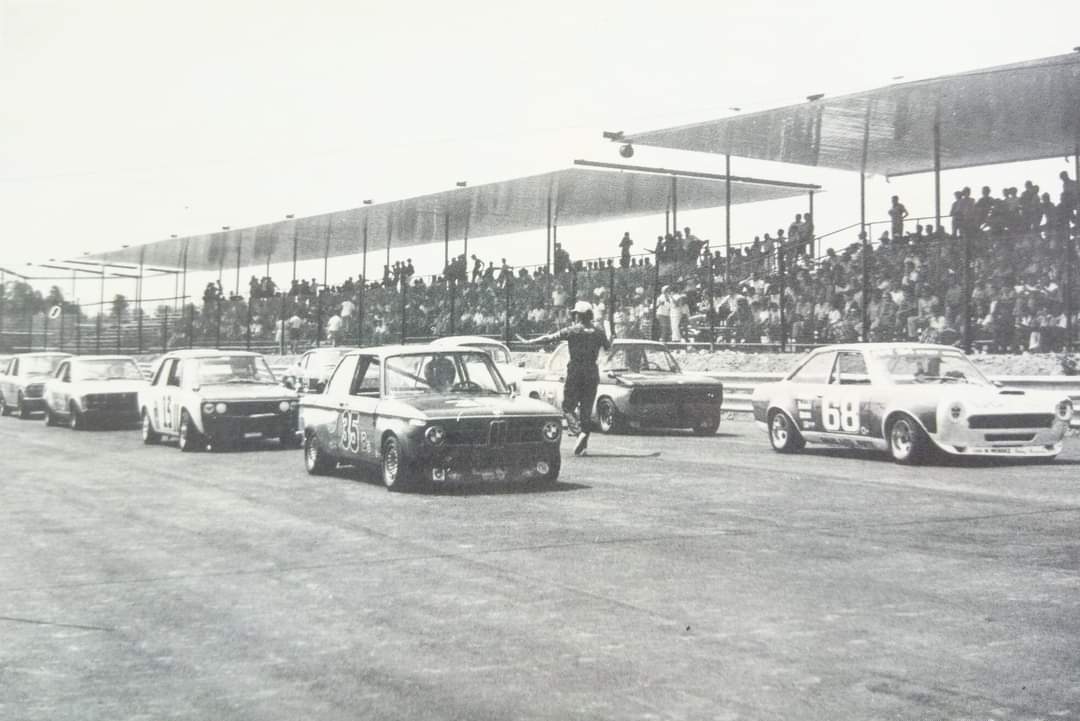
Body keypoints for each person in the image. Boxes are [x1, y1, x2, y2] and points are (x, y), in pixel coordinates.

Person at [522, 300, 611, 456]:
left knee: (568, 407)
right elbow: (608, 347)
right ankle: (583, 443)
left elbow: (550, 338)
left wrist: (531, 341)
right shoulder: (598, 332)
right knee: (586, 408)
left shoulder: (572, 330)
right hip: (591, 371)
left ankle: (578, 433)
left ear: (579, 315)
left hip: (576, 370)